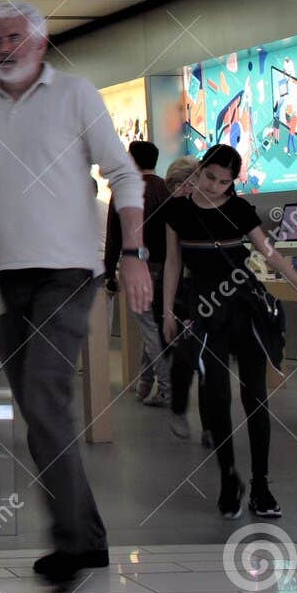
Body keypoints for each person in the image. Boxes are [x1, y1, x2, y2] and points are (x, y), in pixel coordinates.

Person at [0, 1, 152, 590]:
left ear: (40, 42)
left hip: (67, 273)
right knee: (37, 408)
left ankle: (70, 543)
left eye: (14, 38)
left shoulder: (75, 95)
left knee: (44, 395)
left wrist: (133, 253)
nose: (3, 48)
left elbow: (124, 173)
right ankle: (88, 537)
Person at [162, 144, 297, 519]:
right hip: (205, 310)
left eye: (223, 181)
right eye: (209, 176)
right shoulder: (177, 211)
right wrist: (167, 312)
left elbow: (269, 253)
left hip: (245, 307)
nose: (214, 186)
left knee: (254, 397)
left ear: (233, 182)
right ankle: (229, 478)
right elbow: (173, 264)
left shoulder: (240, 208)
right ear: (199, 170)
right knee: (215, 397)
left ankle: (260, 485)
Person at [105, 140, 171, 407]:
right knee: (152, 327)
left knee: (149, 330)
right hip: (165, 270)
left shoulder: (125, 190)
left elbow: (114, 236)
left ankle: (168, 388)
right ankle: (144, 385)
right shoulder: (165, 188)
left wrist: (109, 273)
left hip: (138, 270)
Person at [160, 155, 204, 440]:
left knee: (211, 361)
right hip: (182, 292)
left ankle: (212, 423)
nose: (181, 190)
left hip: (210, 291)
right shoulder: (171, 212)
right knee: (185, 356)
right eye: (175, 185)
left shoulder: (213, 207)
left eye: (185, 184)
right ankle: (178, 408)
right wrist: (167, 308)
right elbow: (170, 259)